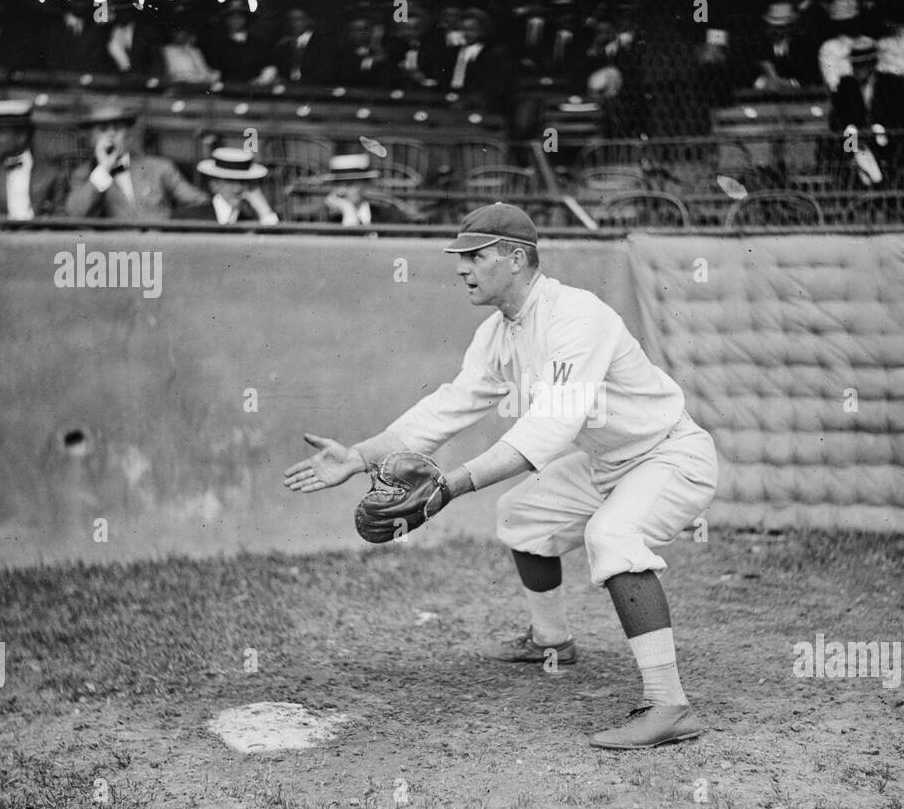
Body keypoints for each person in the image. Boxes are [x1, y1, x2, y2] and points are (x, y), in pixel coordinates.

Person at [283, 202, 719, 749]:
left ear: (516, 259)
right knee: (522, 515)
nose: (462, 267)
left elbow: (550, 430)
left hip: (670, 455)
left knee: (612, 536)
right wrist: (358, 456)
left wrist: (451, 486)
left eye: (475, 256)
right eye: (459, 257)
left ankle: (669, 705)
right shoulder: (498, 333)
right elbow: (447, 408)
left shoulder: (577, 317)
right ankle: (550, 641)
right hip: (609, 462)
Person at [63, 101, 207, 220]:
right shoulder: (83, 174)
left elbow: (199, 202)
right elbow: (76, 213)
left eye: (118, 128)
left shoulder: (159, 168)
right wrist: (104, 169)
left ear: (129, 134)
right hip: (118, 254)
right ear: (92, 139)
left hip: (160, 250)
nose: (111, 135)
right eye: (103, 129)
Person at [174, 148, 278, 223]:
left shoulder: (252, 220)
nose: (238, 189)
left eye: (243, 181)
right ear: (214, 185)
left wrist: (265, 211)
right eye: (231, 181)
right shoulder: (189, 218)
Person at [255, 4, 334, 87]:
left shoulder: (322, 43)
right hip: (288, 93)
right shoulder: (283, 44)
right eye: (291, 19)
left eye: (300, 19)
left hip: (316, 92)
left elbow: (324, 72)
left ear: (310, 20)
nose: (295, 23)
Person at [204, 0, 270, 83]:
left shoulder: (257, 43)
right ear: (226, 19)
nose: (236, 20)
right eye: (232, 16)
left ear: (246, 18)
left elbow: (268, 67)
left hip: (255, 90)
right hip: (225, 92)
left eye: (239, 16)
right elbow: (214, 71)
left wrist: (262, 80)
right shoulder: (218, 44)